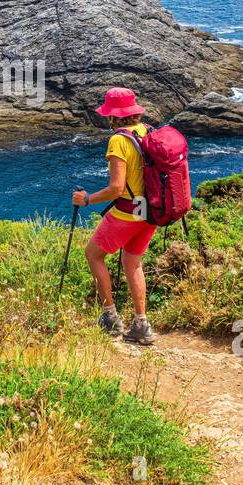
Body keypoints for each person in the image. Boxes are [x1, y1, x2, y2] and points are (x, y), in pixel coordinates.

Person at [72, 87, 157, 345]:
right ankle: (141, 324)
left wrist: (87, 199)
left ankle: (110, 316)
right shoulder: (147, 131)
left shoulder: (118, 141)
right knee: (133, 263)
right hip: (149, 213)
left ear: (113, 117)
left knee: (93, 254)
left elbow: (116, 188)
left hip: (126, 213)